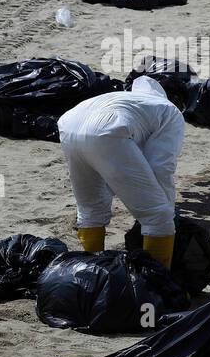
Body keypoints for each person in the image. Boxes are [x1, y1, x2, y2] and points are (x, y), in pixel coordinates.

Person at [57, 77, 185, 269]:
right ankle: (157, 288)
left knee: (91, 210)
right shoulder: (169, 110)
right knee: (158, 217)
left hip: (69, 124)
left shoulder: (129, 100)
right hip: (107, 129)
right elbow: (161, 167)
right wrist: (167, 209)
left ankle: (91, 275)